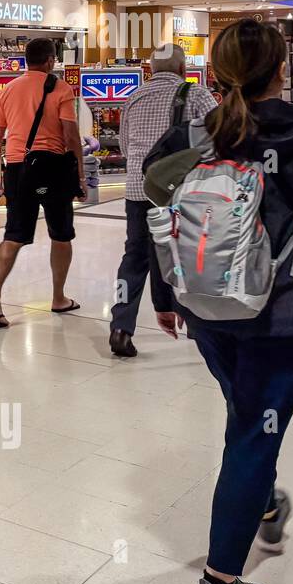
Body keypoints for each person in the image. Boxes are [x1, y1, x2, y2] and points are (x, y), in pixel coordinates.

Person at [144, 19, 293, 584]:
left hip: (207, 307)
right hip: (287, 316)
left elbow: (153, 211)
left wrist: (162, 296)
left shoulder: (188, 137)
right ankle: (221, 583)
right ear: (281, 70)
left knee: (248, 416)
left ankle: (263, 501)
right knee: (253, 428)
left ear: (215, 74)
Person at [108, 45, 218, 357]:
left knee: (134, 257)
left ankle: (120, 326)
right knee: (189, 258)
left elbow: (125, 146)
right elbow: (217, 136)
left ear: (150, 70)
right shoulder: (196, 95)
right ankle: (197, 326)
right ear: (183, 69)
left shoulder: (133, 97)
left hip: (138, 191)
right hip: (182, 193)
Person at [0, 38, 86, 327]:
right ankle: (59, 297)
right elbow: (71, 135)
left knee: (14, 234)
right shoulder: (61, 89)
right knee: (61, 234)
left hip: (17, 168)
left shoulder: (9, 90)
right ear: (51, 60)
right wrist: (79, 175)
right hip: (53, 167)